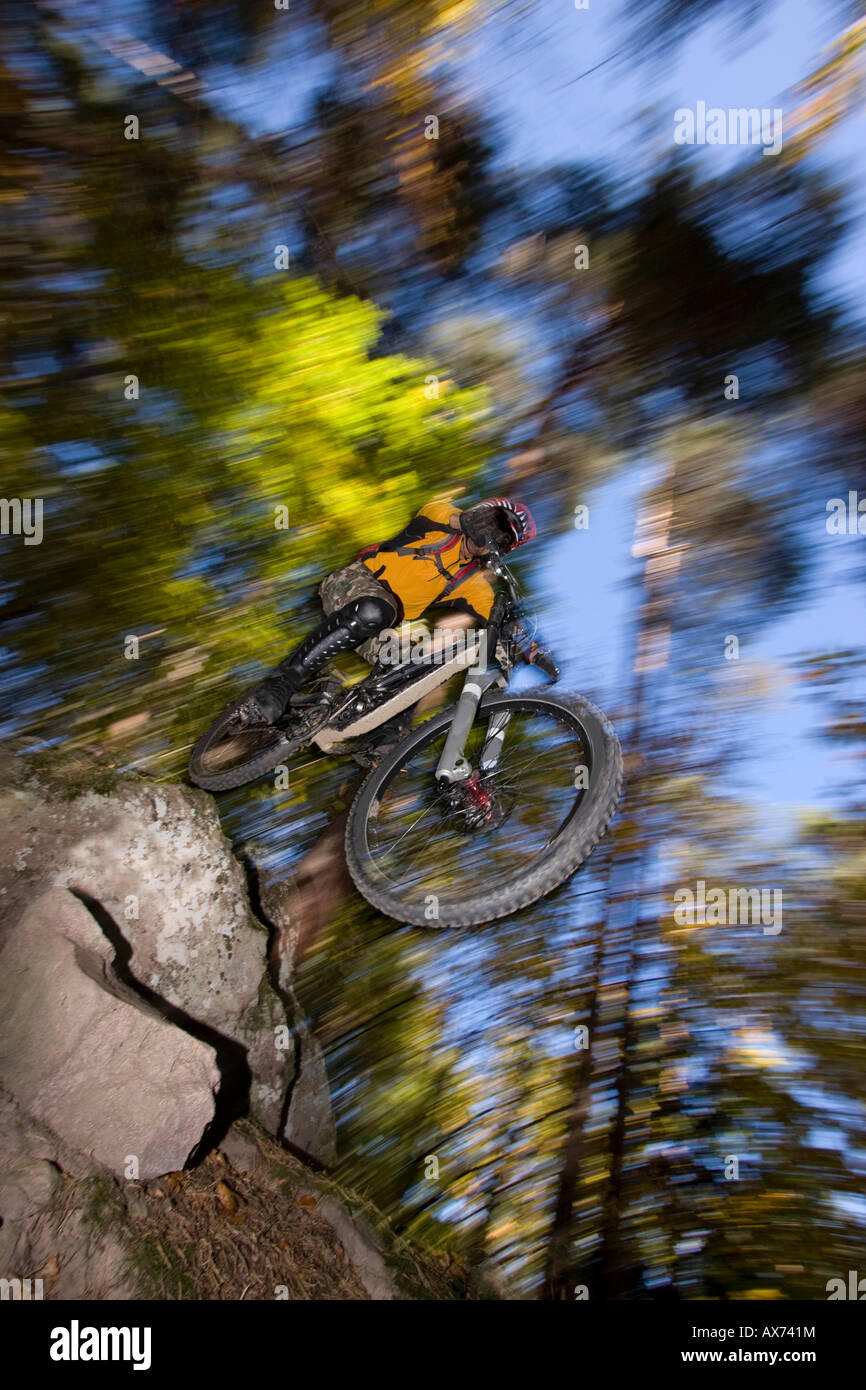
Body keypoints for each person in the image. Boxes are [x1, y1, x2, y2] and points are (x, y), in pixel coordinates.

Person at [243, 495, 538, 727]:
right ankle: (283, 683)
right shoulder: (441, 522)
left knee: (421, 668)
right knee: (376, 609)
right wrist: (474, 522)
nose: (489, 534)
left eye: (500, 538)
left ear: (499, 551)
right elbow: (445, 513)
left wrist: (532, 650)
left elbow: (502, 620)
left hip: (381, 626)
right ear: (480, 512)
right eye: (491, 522)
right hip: (353, 585)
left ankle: (381, 746)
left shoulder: (473, 584)